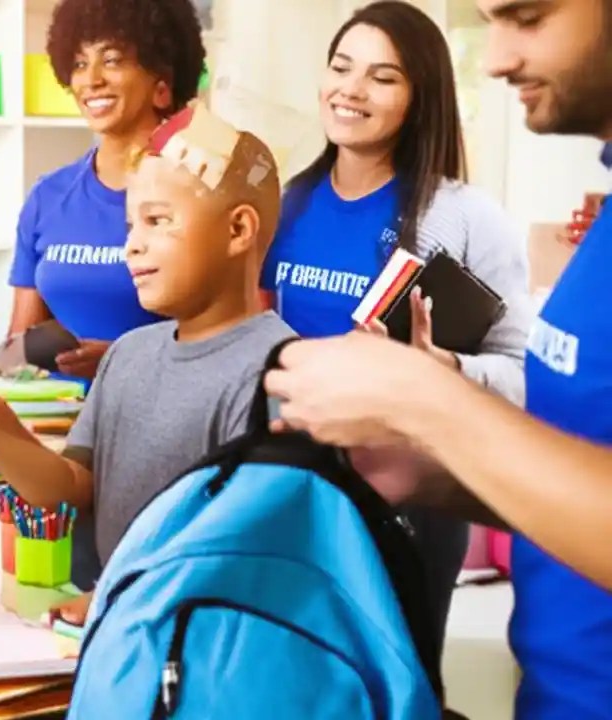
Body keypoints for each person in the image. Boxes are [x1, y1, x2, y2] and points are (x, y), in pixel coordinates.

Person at [264, 0, 612, 716]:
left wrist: (434, 389)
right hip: (314, 491)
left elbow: (518, 382)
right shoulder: (284, 205)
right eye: (341, 68)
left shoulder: (466, 218)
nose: (496, 58)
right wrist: (427, 472)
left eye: (530, 17)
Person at [0, 103, 294, 628]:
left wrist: (108, 602)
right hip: (108, 633)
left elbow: (242, 555)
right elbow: (72, 487)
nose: (133, 244)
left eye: (157, 221)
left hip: (184, 647)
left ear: (238, 230)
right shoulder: (129, 354)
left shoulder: (276, 376)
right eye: (130, 224)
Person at [5, 0, 206, 591]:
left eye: (112, 60)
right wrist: (23, 362)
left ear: (163, 85)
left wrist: (120, 359)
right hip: (57, 452)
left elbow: (227, 338)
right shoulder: (48, 197)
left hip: (162, 453)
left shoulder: (199, 197)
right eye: (79, 62)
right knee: (56, 618)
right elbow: (12, 346)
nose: (89, 80)